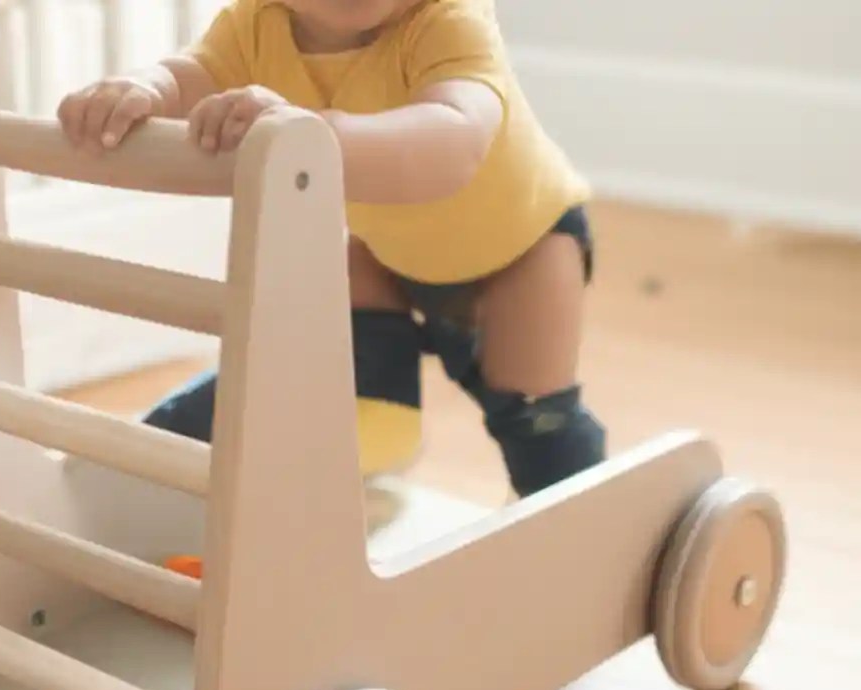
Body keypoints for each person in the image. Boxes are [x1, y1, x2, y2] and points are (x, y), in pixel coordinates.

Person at [57, 0, 605, 504]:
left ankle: (576, 531)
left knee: (535, 418)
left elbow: (456, 141)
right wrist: (139, 89)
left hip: (521, 248)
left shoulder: (444, 20)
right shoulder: (254, 25)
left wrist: (315, 135)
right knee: (345, 359)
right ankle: (377, 423)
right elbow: (184, 77)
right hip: (386, 251)